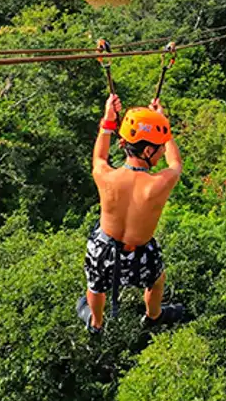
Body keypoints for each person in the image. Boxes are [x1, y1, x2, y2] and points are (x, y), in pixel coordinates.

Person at [76, 93, 188, 335]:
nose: (160, 152)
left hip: (104, 246)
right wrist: (163, 123)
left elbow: (99, 157)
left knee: (95, 286)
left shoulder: (106, 176)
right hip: (141, 251)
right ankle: (153, 315)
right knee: (157, 280)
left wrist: (107, 121)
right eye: (157, 148)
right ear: (148, 150)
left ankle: (95, 322)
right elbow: (176, 164)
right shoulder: (157, 184)